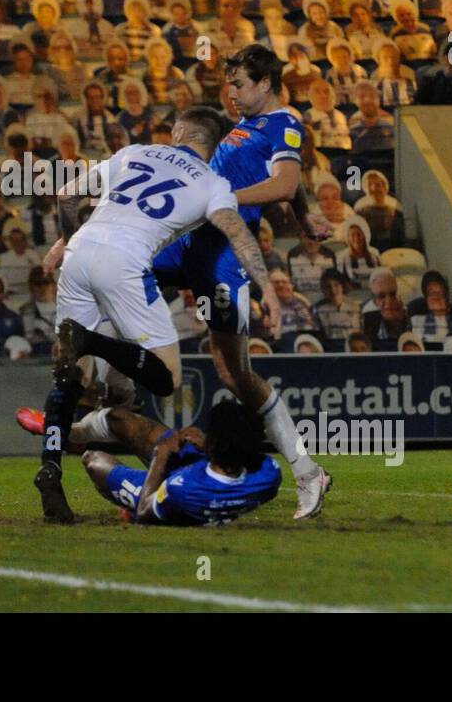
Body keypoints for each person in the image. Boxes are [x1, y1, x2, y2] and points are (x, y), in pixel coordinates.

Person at [31, 106, 280, 524]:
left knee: (72, 376)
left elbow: (67, 195)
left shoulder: (135, 152)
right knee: (167, 378)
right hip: (126, 263)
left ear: (178, 131)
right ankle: (90, 341)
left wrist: (69, 242)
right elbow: (238, 235)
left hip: (79, 255)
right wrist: (267, 287)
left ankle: (50, 470)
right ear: (216, 144)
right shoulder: (213, 183)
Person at [146, 45, 333, 518]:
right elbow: (292, 185)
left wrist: (222, 197)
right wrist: (305, 218)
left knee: (235, 375)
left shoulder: (284, 123)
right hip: (193, 242)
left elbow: (285, 183)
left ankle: (307, 470)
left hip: (225, 256)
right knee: (124, 267)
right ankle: (84, 392)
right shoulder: (246, 126)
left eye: (239, 83)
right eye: (228, 84)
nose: (230, 92)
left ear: (266, 84)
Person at [20, 400, 281, 526]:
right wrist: (204, 446)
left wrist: (162, 455)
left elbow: (145, 511)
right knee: (119, 418)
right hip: (206, 466)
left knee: (93, 459)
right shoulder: (268, 473)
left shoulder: (183, 489)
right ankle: (70, 433)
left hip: (159, 492)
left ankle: (67, 435)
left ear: (218, 443)